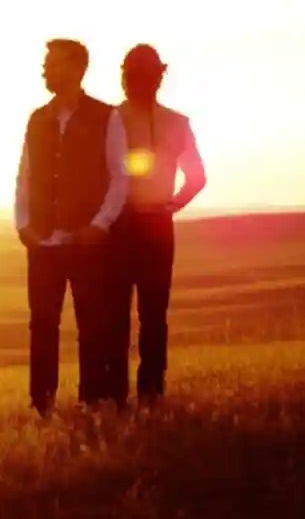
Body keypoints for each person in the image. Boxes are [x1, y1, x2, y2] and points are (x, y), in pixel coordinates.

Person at [15, 38, 130, 417]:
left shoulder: (106, 116)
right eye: (46, 63)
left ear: (77, 68)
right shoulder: (37, 119)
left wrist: (100, 226)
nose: (45, 69)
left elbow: (120, 176)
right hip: (43, 241)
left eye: (53, 63)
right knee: (42, 325)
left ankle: (92, 402)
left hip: (86, 242)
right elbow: (25, 177)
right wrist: (24, 225)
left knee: (91, 325)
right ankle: (41, 405)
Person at [106, 44, 206, 408]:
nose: (134, 82)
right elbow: (197, 177)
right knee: (143, 312)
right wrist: (174, 203)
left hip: (135, 223)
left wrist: (173, 204)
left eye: (136, 75)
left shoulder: (111, 119)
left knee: (136, 312)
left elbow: (197, 177)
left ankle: (130, 395)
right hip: (139, 223)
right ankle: (143, 393)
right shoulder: (168, 122)